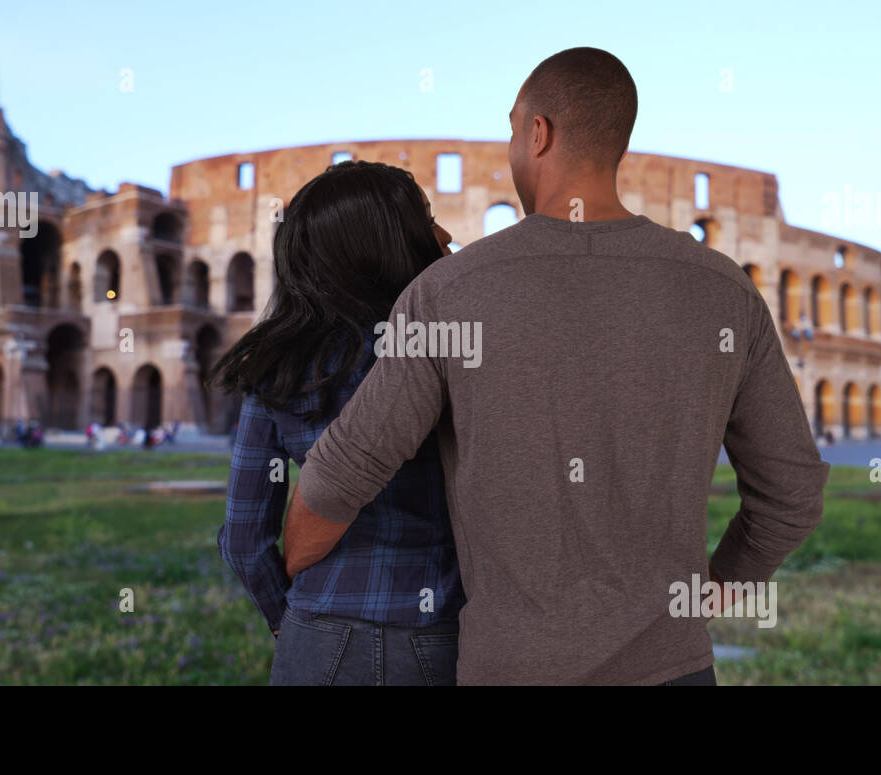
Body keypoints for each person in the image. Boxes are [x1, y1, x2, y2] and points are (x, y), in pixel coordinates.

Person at [283, 48, 828, 685]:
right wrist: (704, 600)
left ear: (537, 133)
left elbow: (344, 471)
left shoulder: (451, 291)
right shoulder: (724, 292)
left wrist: (294, 559)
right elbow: (793, 496)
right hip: (674, 667)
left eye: (514, 130)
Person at [212, 160, 461, 686]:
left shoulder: (277, 365)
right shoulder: (450, 355)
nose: (445, 234)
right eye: (427, 220)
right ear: (388, 242)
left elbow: (242, 539)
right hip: (437, 632)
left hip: (317, 633)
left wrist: (291, 620)